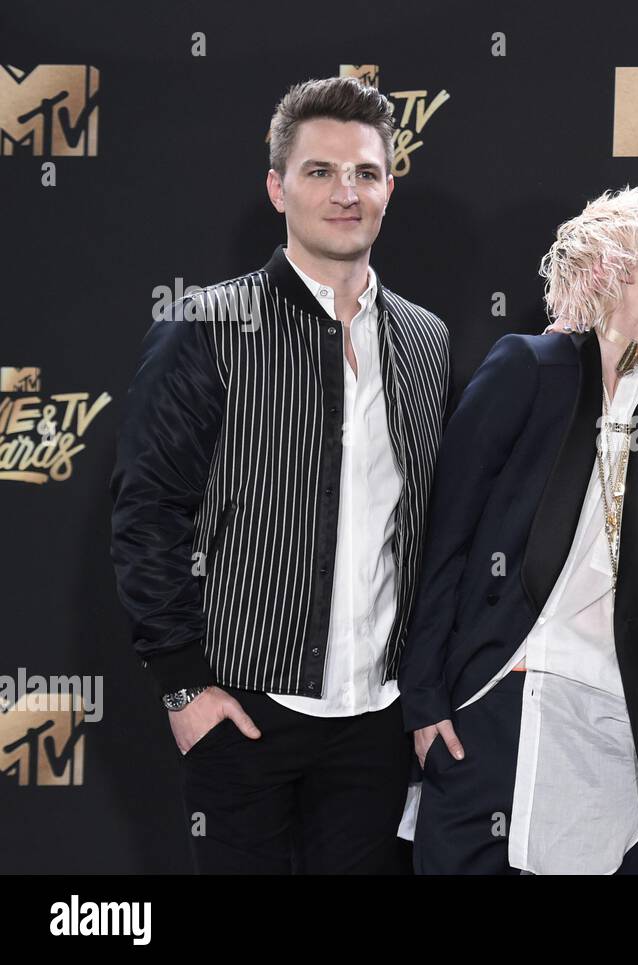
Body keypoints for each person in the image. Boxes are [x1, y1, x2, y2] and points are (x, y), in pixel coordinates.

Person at [109, 76, 450, 873]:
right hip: (245, 710)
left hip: (379, 718)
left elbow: (431, 527)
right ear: (277, 187)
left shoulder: (427, 340)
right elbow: (148, 512)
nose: (346, 192)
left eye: (365, 172)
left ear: (389, 187)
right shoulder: (208, 326)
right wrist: (183, 686)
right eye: (320, 171)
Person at [400, 186, 638, 874]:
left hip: (620, 719)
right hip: (505, 698)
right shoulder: (529, 368)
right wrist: (426, 701)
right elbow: (442, 537)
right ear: (611, 262)